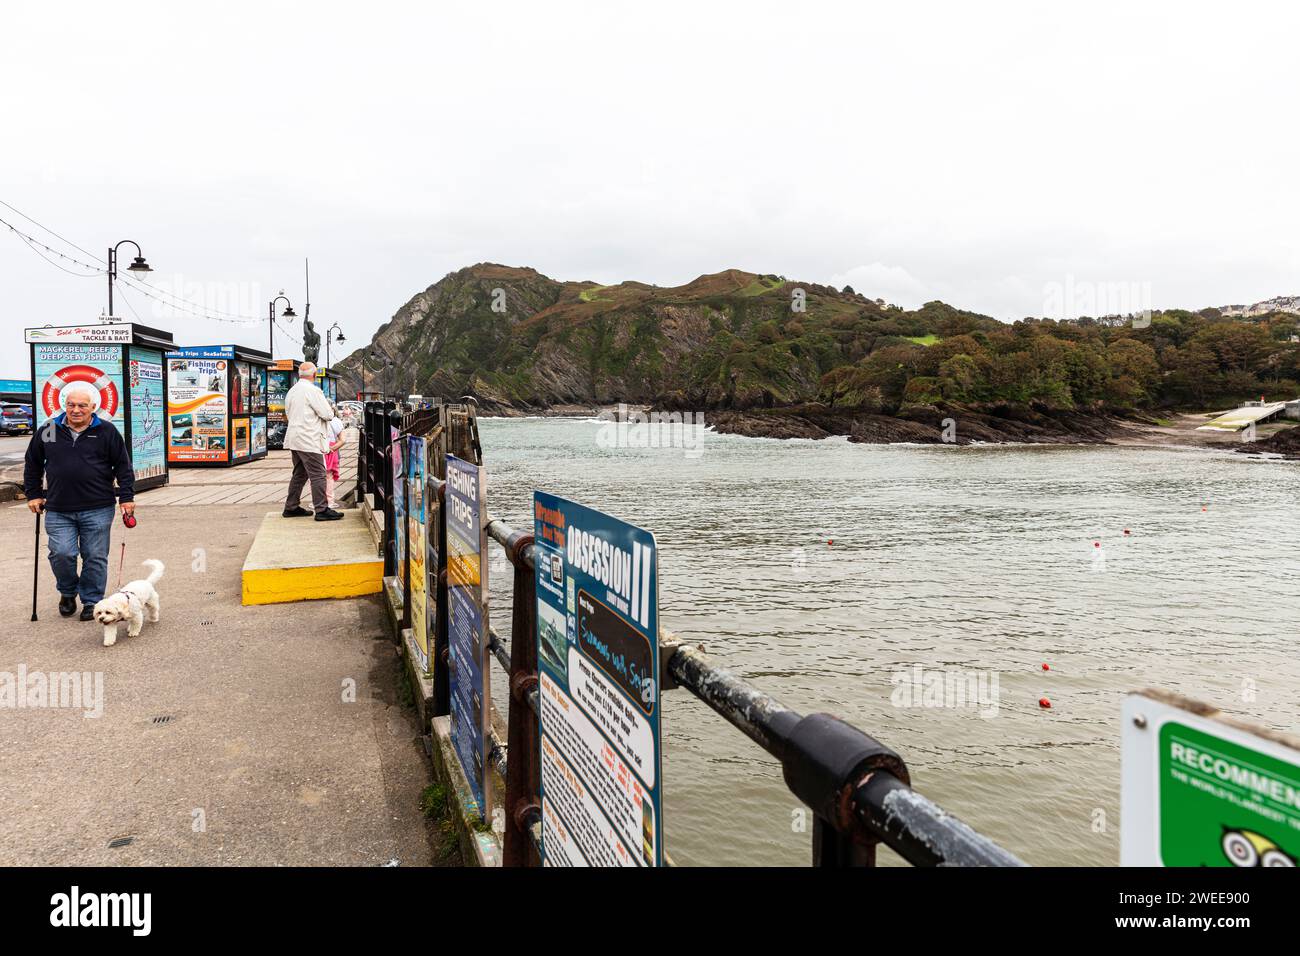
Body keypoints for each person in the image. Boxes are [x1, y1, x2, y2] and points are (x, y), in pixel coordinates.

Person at [23, 381, 136, 620]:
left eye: (82, 405)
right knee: (61, 553)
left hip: (98, 507)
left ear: (93, 407)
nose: (76, 410)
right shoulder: (50, 429)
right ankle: (67, 592)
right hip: (58, 507)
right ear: (65, 405)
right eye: (71, 404)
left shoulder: (106, 431)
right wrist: (33, 494)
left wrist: (126, 496)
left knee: (95, 556)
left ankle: (91, 601)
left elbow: (123, 466)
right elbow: (33, 463)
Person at [282, 361, 341, 521]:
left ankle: (291, 506)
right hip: (309, 438)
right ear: (314, 376)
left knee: (299, 474)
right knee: (318, 474)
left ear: (300, 375)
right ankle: (321, 509)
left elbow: (288, 412)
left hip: (294, 438)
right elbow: (327, 414)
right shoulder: (313, 391)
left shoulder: (292, 391)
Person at [323, 408, 346, 509]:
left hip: (316, 447)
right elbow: (343, 440)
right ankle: (329, 501)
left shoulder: (315, 419)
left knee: (315, 477)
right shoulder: (335, 421)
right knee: (329, 476)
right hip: (331, 448)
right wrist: (332, 449)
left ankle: (318, 501)